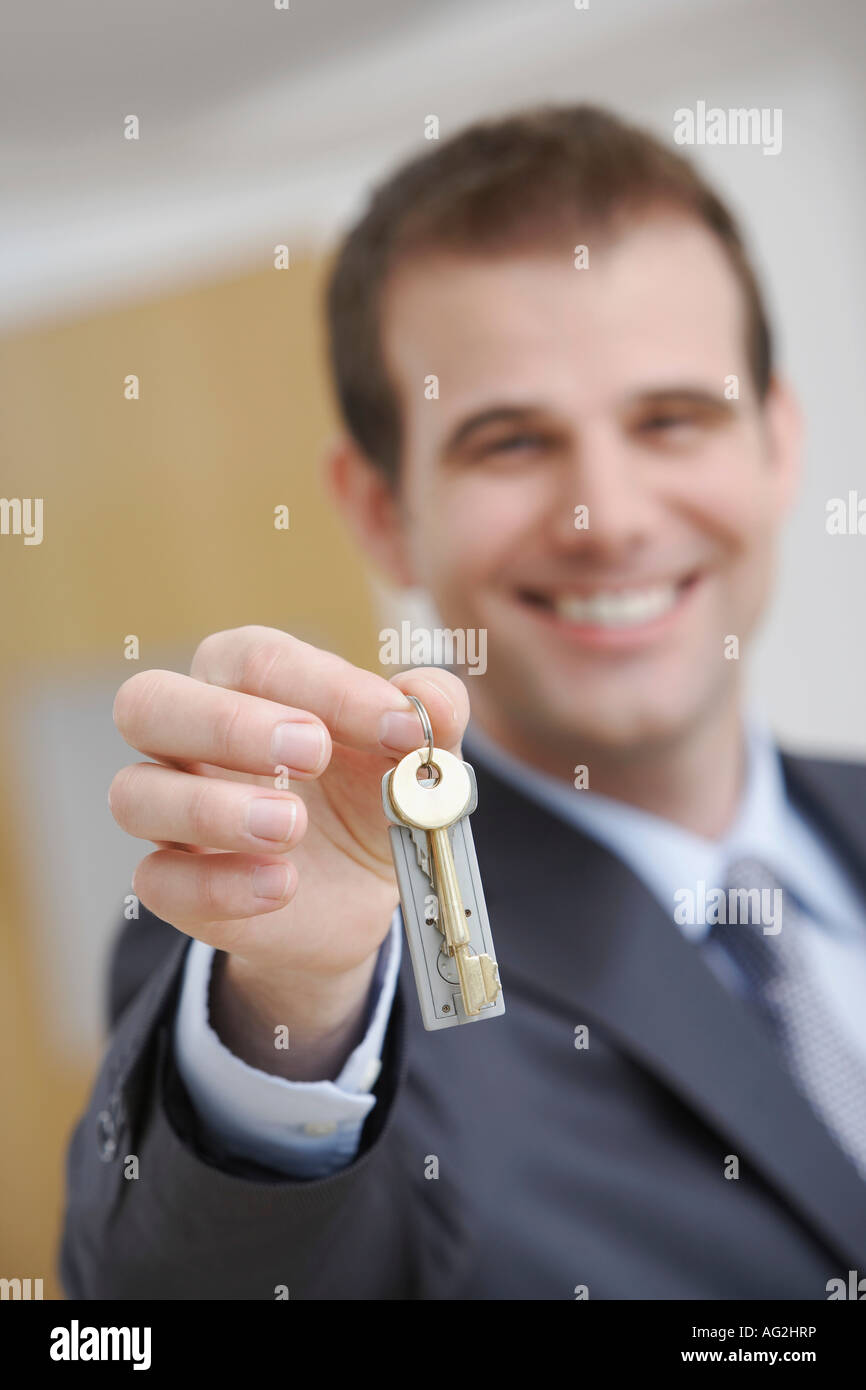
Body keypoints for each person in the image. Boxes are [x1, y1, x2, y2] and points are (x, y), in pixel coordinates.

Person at [61, 104, 866, 1300]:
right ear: (381, 509)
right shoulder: (316, 960)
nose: (608, 516)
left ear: (775, 440)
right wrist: (296, 1008)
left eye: (669, 420)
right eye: (509, 443)